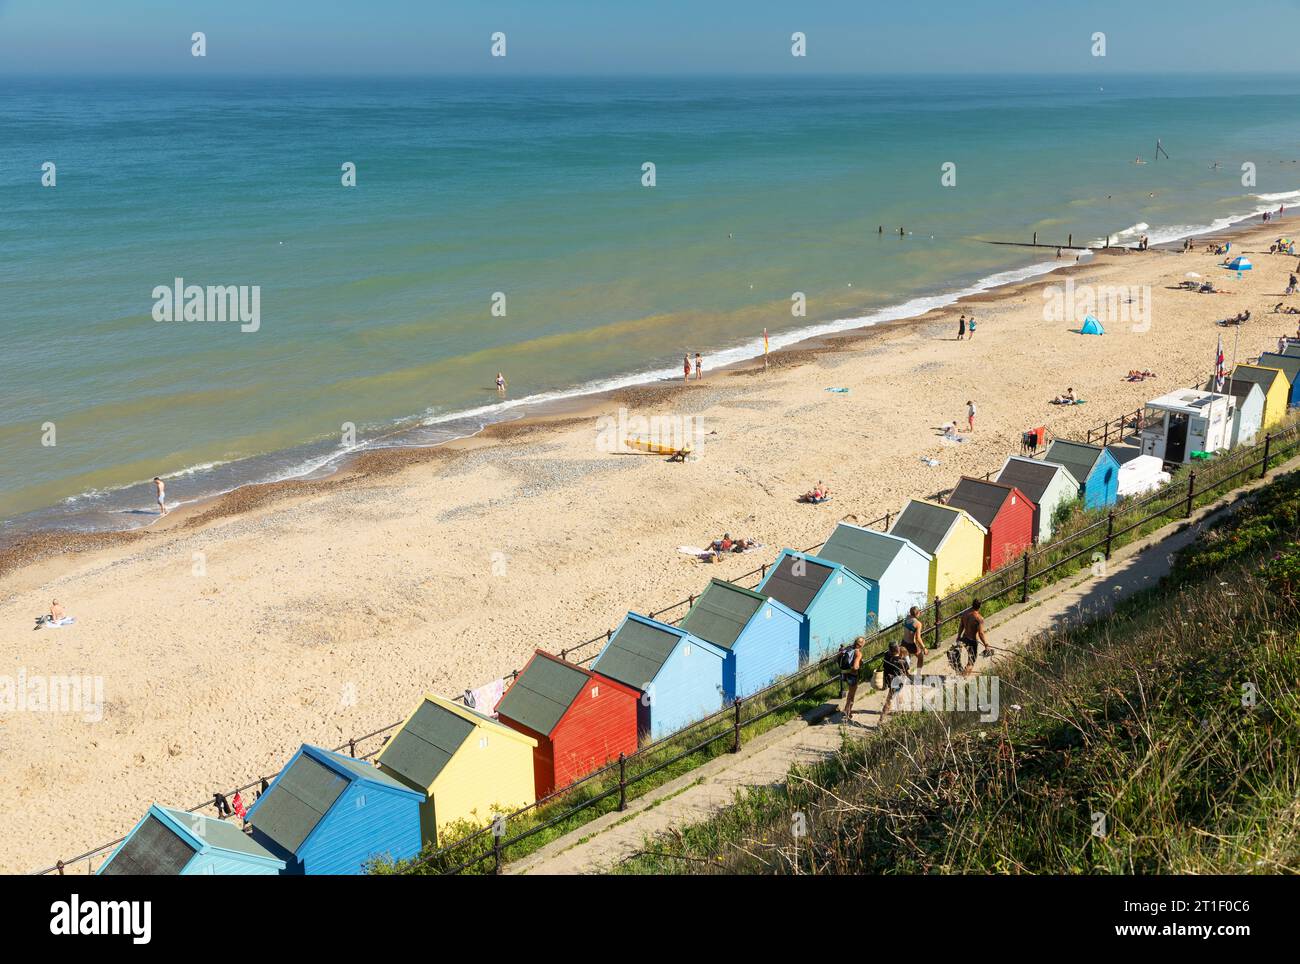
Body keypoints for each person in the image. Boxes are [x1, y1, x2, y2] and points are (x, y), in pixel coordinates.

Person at [958, 599, 989, 675]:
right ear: (980, 606)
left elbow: (961, 626)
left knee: (970, 659)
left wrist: (959, 636)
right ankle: (963, 678)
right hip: (972, 641)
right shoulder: (979, 618)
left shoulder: (965, 613)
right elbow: (981, 633)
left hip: (965, 638)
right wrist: (986, 644)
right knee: (971, 662)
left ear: (972, 604)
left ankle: (964, 676)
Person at [880, 641, 908, 720]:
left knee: (892, 699)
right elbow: (906, 670)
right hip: (900, 682)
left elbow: (886, 670)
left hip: (892, 682)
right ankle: (901, 714)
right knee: (894, 698)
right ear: (898, 649)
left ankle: (882, 719)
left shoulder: (889, 661)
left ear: (890, 650)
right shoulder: (903, 661)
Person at [839, 637, 864, 720]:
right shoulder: (858, 653)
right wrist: (859, 663)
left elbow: (838, 658)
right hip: (852, 675)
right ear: (861, 645)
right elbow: (856, 667)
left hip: (844, 674)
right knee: (851, 695)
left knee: (850, 693)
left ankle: (846, 710)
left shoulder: (848, 648)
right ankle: (848, 713)